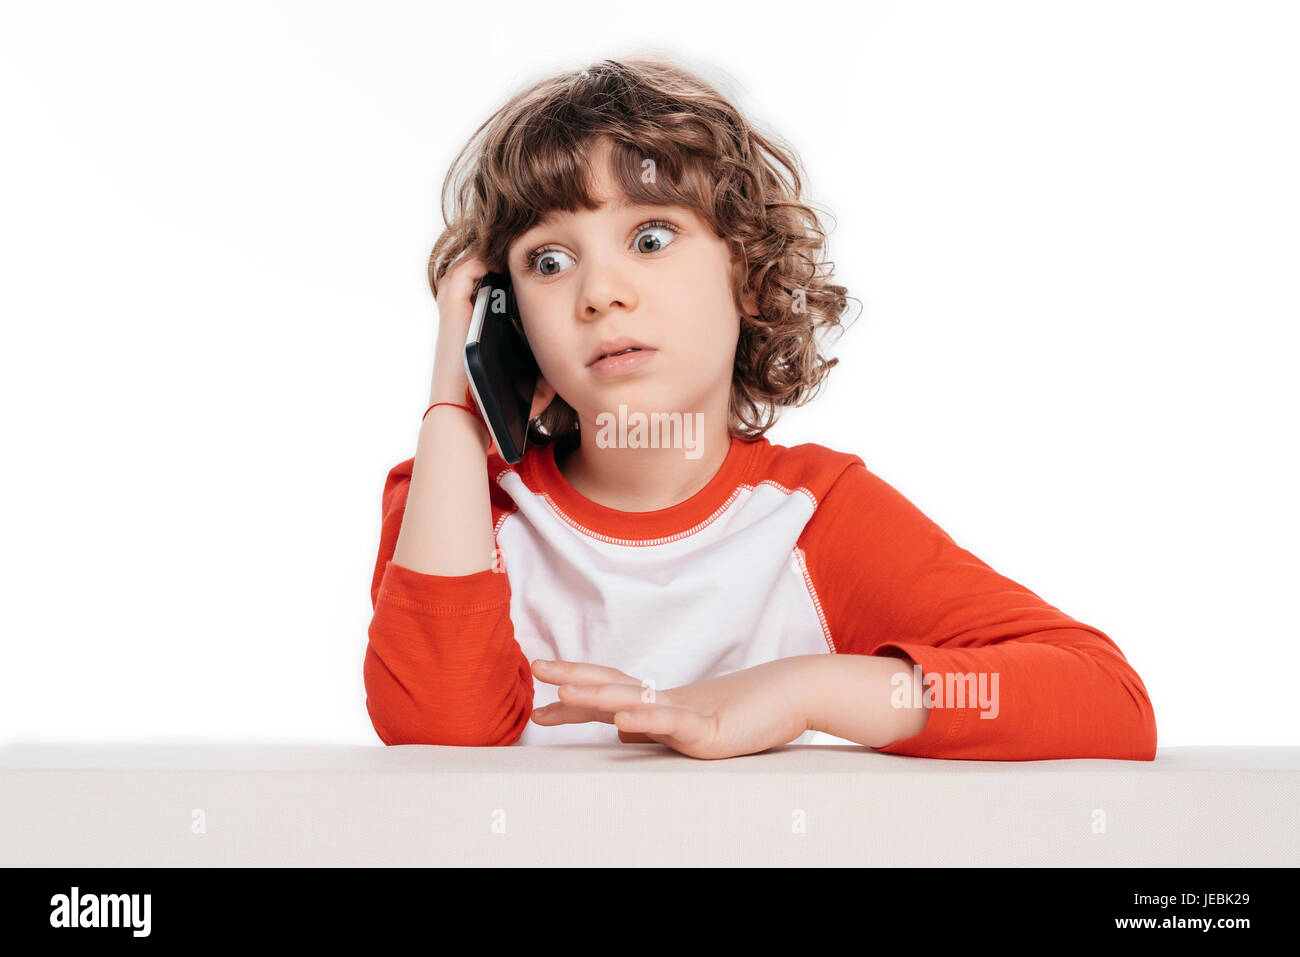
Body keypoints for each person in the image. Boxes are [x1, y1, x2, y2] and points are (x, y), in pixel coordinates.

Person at [363, 55, 1157, 760]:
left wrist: (801, 690)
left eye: (650, 238)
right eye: (549, 259)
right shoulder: (455, 498)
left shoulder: (813, 517)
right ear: (502, 311)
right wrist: (455, 408)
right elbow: (441, 735)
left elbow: (1102, 697)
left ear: (745, 272)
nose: (600, 292)